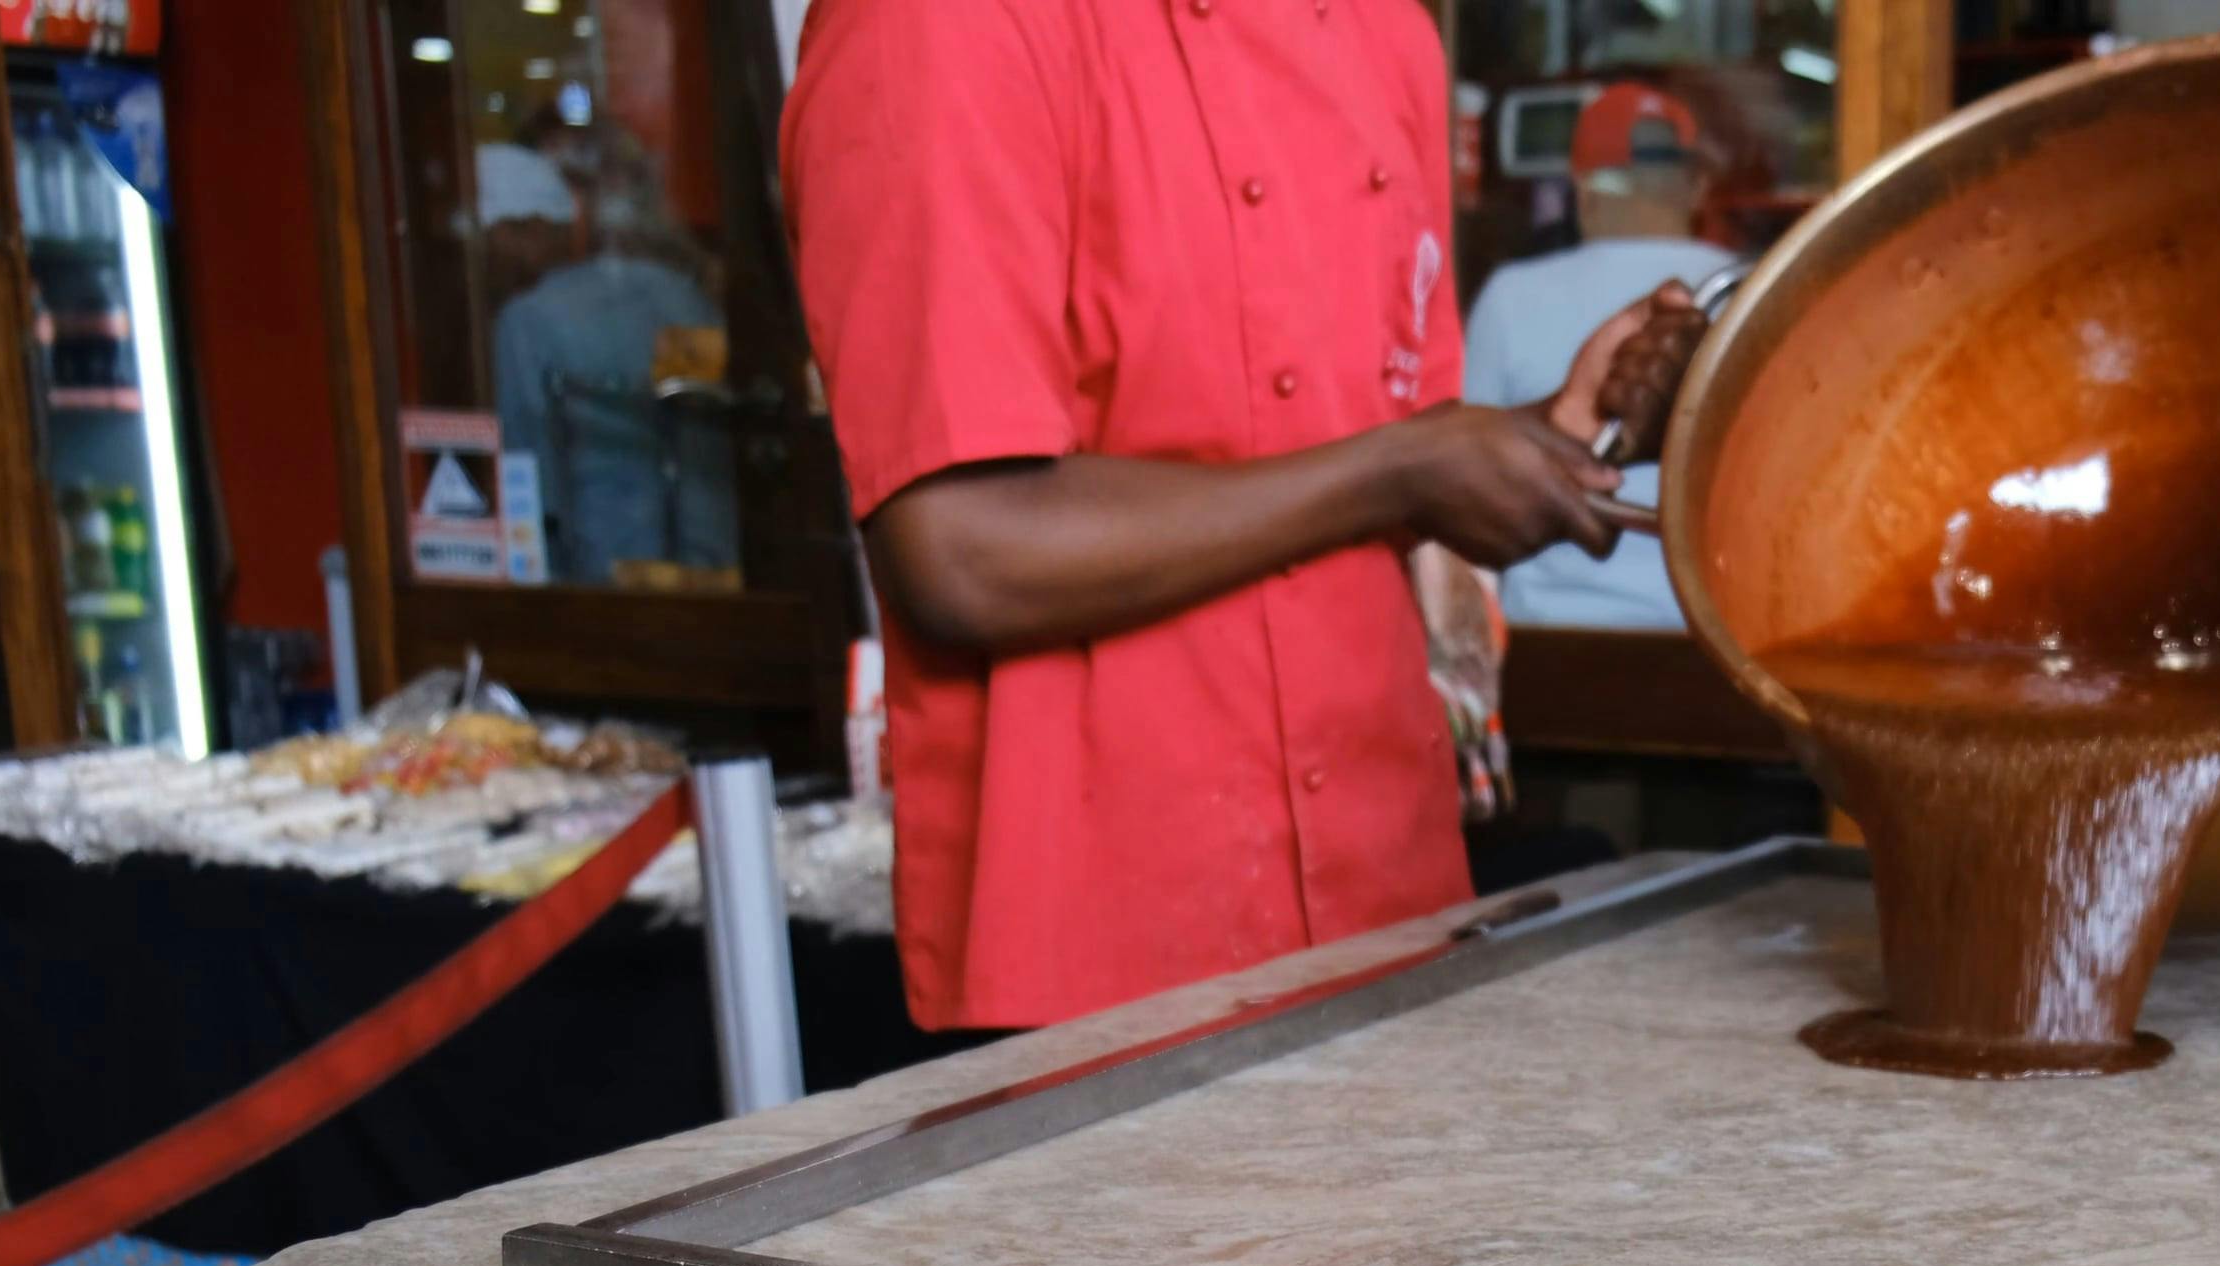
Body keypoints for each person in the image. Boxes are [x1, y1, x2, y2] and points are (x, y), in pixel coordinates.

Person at [781, 0, 1664, 1031]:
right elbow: (961, 550)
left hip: (1392, 906)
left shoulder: (1386, 34)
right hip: (1106, 954)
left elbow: (1374, 457)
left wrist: (1549, 441)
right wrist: (1401, 471)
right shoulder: (942, 25)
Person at [1463, 85, 1738, 631]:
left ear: (1582, 190)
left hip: (1551, 643)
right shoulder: (1747, 291)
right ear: (1696, 188)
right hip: (1710, 640)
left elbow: (1471, 487)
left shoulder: (1511, 296)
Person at [489, 132, 739, 589]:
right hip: (714, 575)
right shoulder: (691, 303)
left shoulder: (528, 321)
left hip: (598, 584)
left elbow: (532, 488)